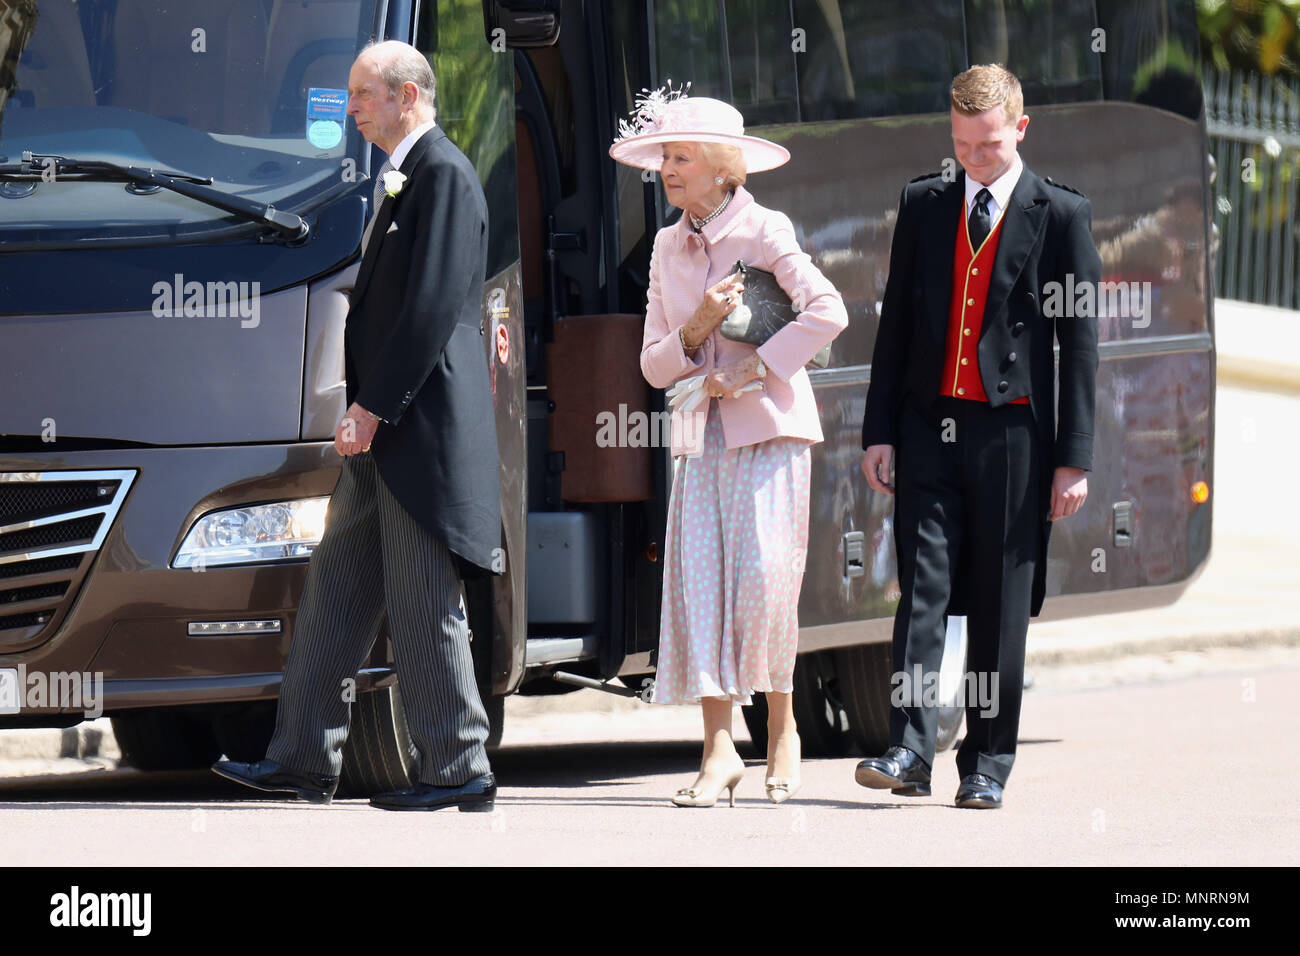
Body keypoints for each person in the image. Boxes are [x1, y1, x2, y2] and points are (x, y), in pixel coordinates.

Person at [212, 40, 502, 812]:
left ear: (408, 96)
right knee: (335, 591)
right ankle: (304, 759)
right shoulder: (405, 178)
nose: (350, 108)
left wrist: (374, 408)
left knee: (421, 602)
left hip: (416, 429)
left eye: (362, 93)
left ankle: (457, 767)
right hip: (383, 432)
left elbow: (434, 309)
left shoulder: (443, 174)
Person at [857, 64, 1100, 809]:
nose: (973, 158)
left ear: (1019, 130)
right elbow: (894, 324)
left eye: (988, 145)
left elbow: (1080, 344)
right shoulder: (924, 205)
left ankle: (987, 763)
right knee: (921, 590)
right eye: (962, 144)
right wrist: (879, 433)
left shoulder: (1059, 214)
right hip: (928, 427)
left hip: (1014, 437)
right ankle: (908, 746)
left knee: (997, 602)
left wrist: (1073, 460)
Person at [609, 89, 847, 807]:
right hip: (696, 438)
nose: (667, 170)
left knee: (764, 584)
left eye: (680, 157)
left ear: (720, 167)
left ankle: (781, 726)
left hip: (769, 431)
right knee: (700, 589)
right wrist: (695, 331)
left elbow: (828, 311)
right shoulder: (663, 245)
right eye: (663, 158)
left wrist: (756, 366)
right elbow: (653, 365)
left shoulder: (765, 227)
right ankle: (719, 751)